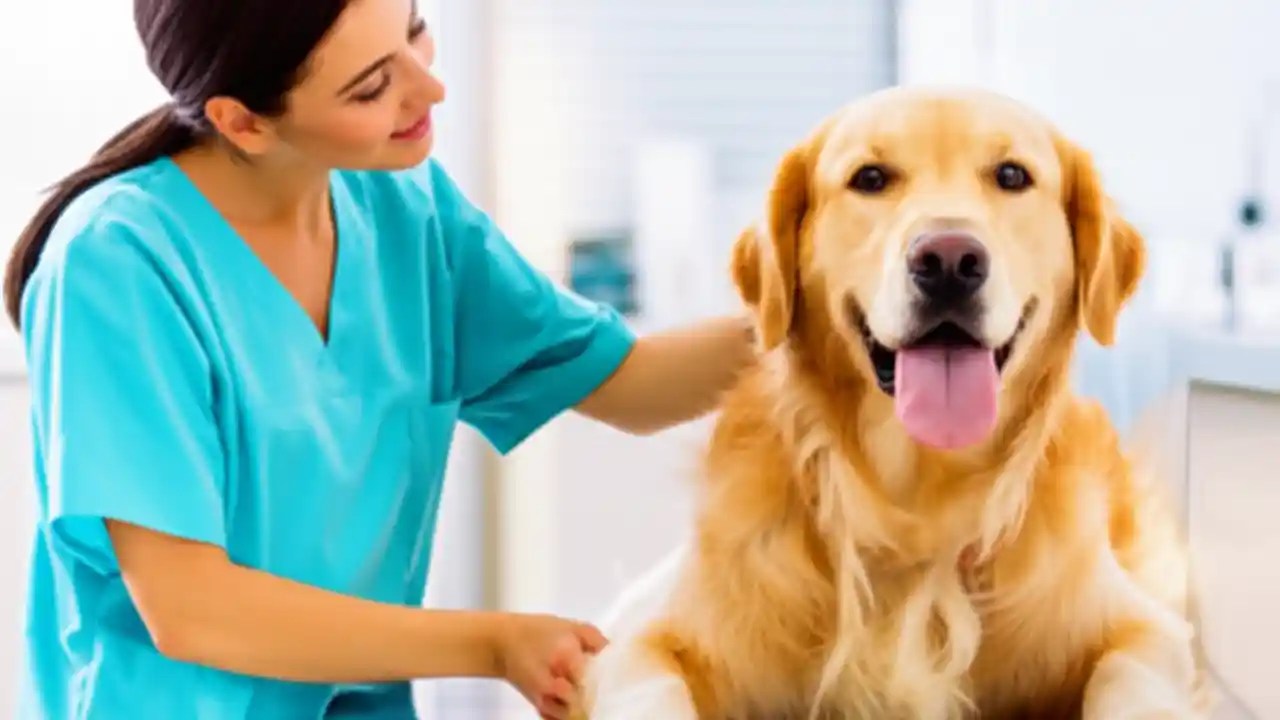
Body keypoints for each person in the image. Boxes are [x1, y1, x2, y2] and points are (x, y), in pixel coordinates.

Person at [2, 0, 755, 717]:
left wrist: (822, 314)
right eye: (371, 87)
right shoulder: (117, 264)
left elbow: (633, 383)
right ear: (242, 122)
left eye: (415, 31)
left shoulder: (407, 208)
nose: (429, 87)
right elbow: (192, 610)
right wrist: (493, 643)